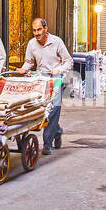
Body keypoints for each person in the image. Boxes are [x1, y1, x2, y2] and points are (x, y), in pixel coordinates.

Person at [21, 17, 73, 154]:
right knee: (39, 110)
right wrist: (24, 69)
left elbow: (68, 61)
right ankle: (57, 131)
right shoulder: (32, 44)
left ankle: (47, 143)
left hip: (55, 79)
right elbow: (29, 62)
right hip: (40, 79)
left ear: (45, 29)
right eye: (34, 30)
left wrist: (59, 70)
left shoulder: (56, 42)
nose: (37, 33)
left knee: (53, 110)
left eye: (39, 29)